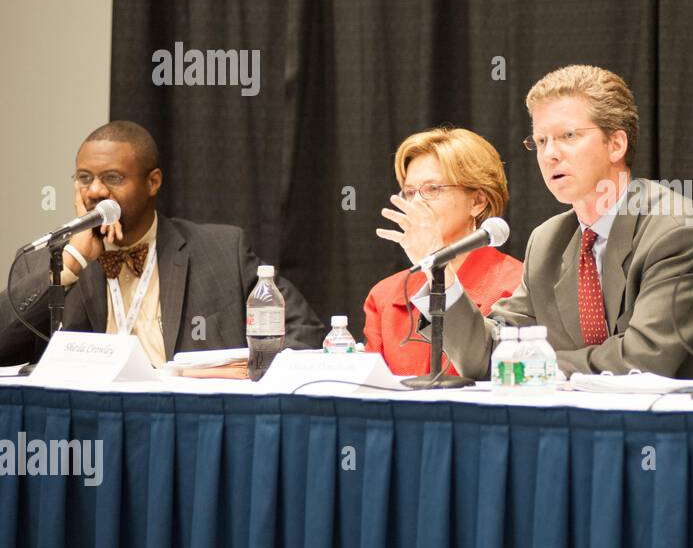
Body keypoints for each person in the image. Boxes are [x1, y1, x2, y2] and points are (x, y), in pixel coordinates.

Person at [411, 64, 693, 379]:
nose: (550, 155)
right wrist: (442, 276)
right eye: (541, 141)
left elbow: (643, 358)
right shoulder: (548, 241)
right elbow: (488, 355)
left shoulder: (674, 230)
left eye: (568, 136)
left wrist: (535, 367)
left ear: (616, 144)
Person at [0, 121, 324, 367]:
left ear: (152, 182)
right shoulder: (48, 262)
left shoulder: (222, 251)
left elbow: (303, 333)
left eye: (112, 178)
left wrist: (245, 379)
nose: (95, 191)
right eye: (85, 178)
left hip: (187, 426)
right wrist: (71, 262)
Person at [365, 127, 522, 376]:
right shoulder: (384, 295)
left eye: (432, 190)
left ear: (478, 201)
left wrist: (434, 260)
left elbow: (505, 375)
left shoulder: (516, 284)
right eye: (409, 192)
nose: (416, 203)